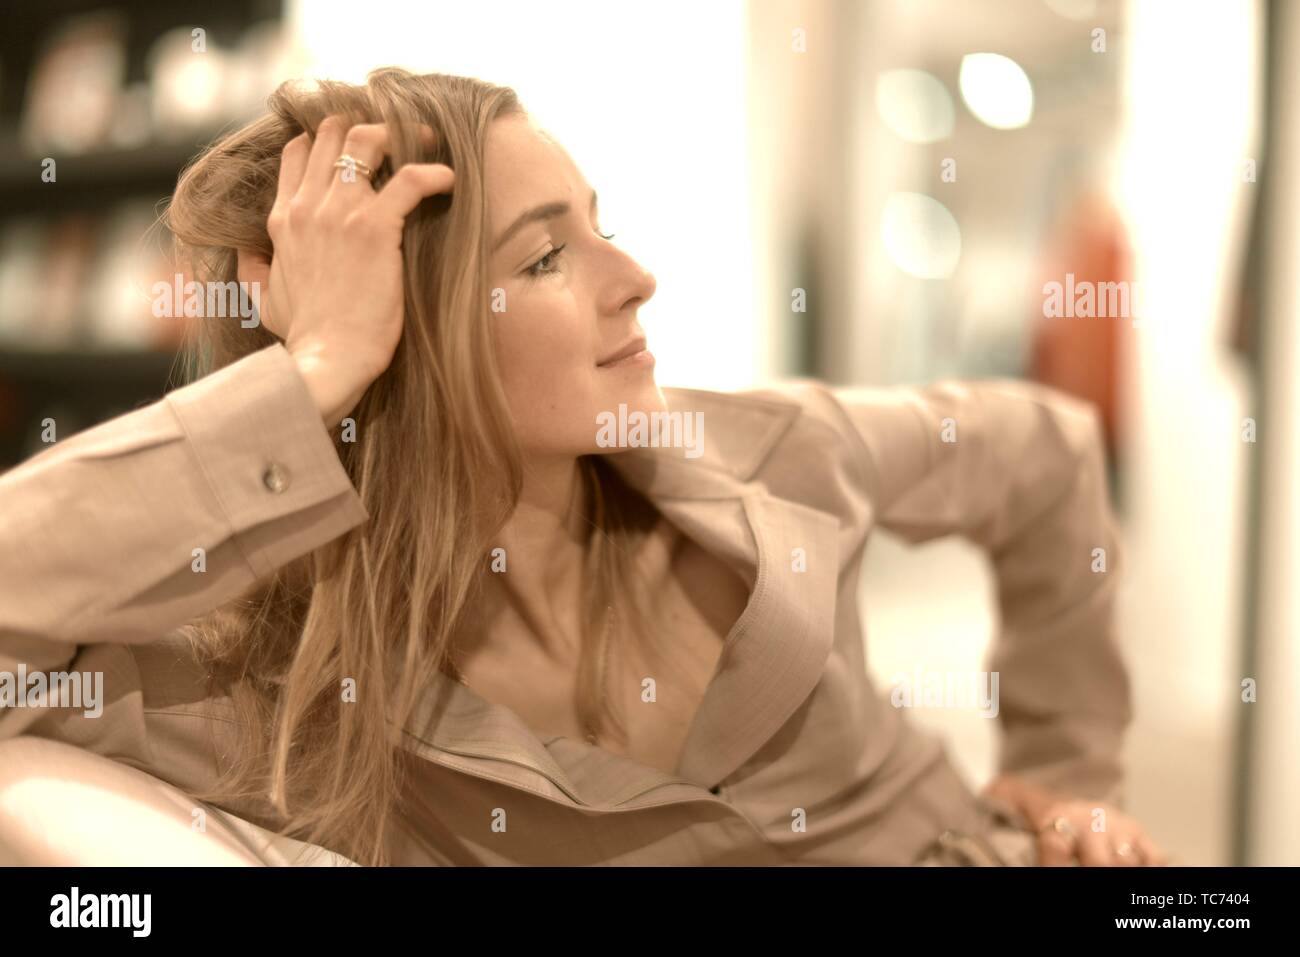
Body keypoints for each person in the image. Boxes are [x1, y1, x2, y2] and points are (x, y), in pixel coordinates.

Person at [0, 67, 1166, 867]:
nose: (635, 276)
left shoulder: (761, 452)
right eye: (551, 254)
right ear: (406, 331)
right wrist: (310, 375)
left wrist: (1070, 779)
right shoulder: (283, 698)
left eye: (597, 222)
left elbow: (1046, 455)